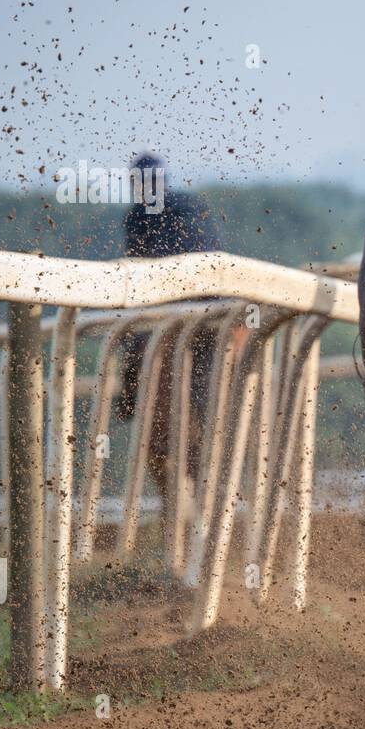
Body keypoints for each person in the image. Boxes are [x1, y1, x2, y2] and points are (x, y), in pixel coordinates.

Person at [118, 153, 223, 492]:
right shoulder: (185, 204)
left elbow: (139, 268)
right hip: (208, 306)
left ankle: (130, 398)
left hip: (193, 310)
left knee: (137, 341)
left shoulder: (140, 216)